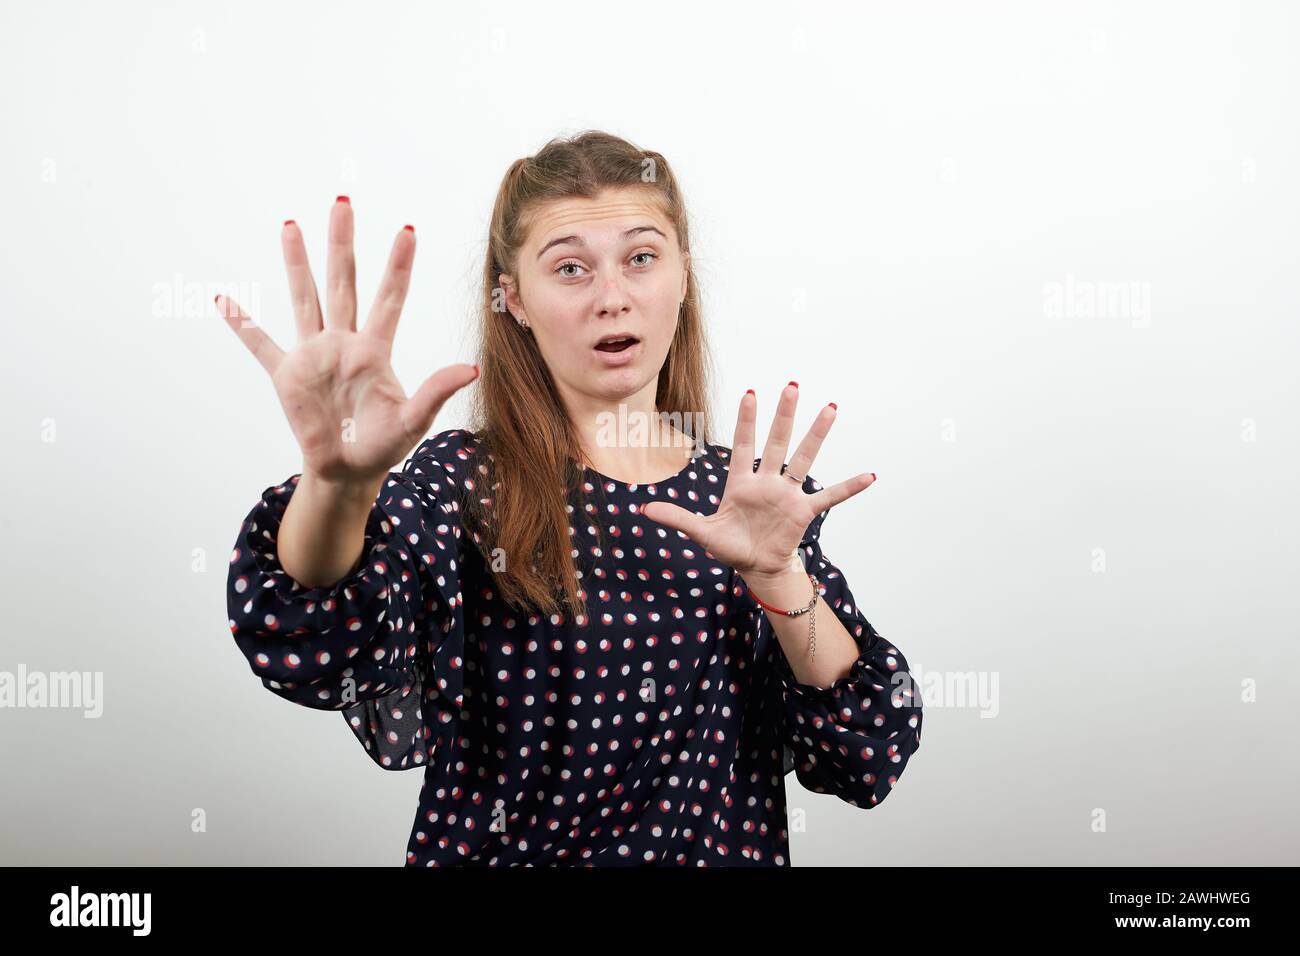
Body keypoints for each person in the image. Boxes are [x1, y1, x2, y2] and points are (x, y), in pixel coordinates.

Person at [218, 130, 922, 866]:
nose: (612, 298)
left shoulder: (752, 498)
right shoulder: (466, 483)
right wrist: (339, 487)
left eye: (641, 258)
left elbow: (865, 756)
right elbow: (318, 642)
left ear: (683, 276)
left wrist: (780, 580)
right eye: (571, 269)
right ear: (513, 298)